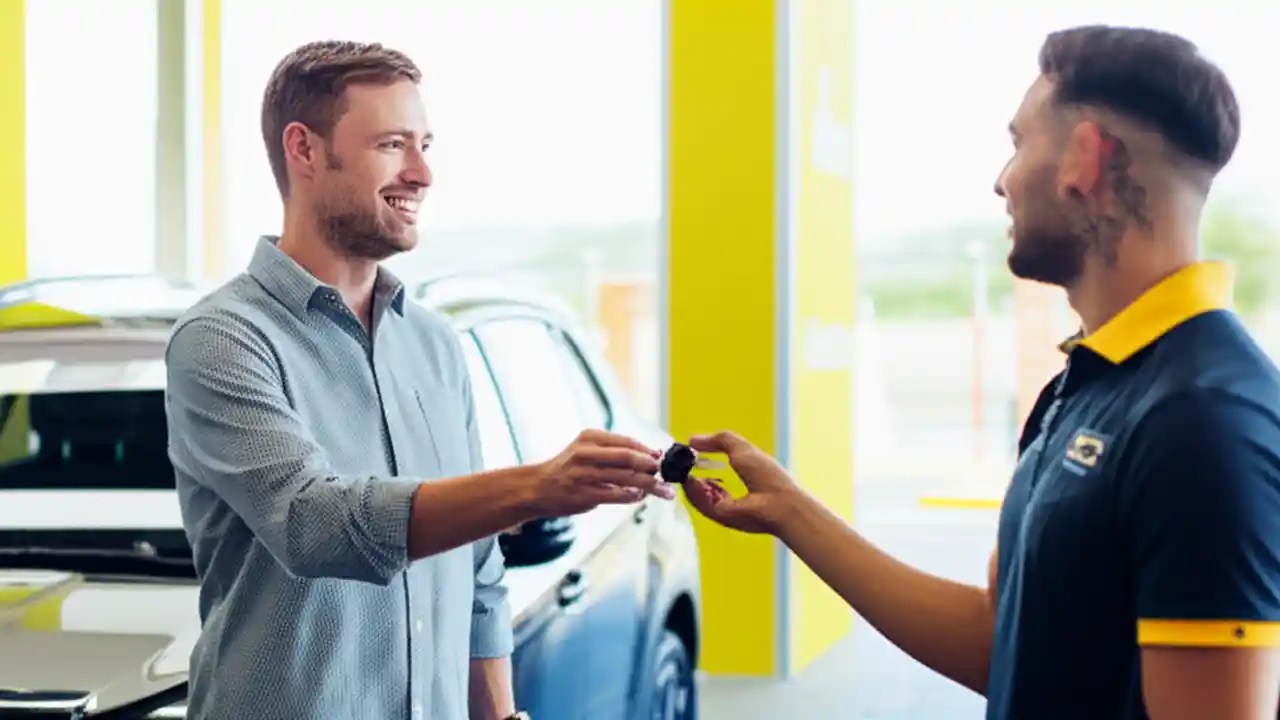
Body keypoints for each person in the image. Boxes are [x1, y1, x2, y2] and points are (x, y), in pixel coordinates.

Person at [681, 24, 1280, 720]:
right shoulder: (1081, 386)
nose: (1002, 180)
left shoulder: (1204, 423)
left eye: (1019, 143)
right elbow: (1005, 642)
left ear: (1084, 157)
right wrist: (789, 512)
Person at [164, 40, 674, 720]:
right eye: (392, 145)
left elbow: (478, 569)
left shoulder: (434, 343)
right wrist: (536, 486)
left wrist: (501, 717)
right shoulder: (225, 339)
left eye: (425, 144)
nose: (422, 172)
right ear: (304, 149)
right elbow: (314, 524)